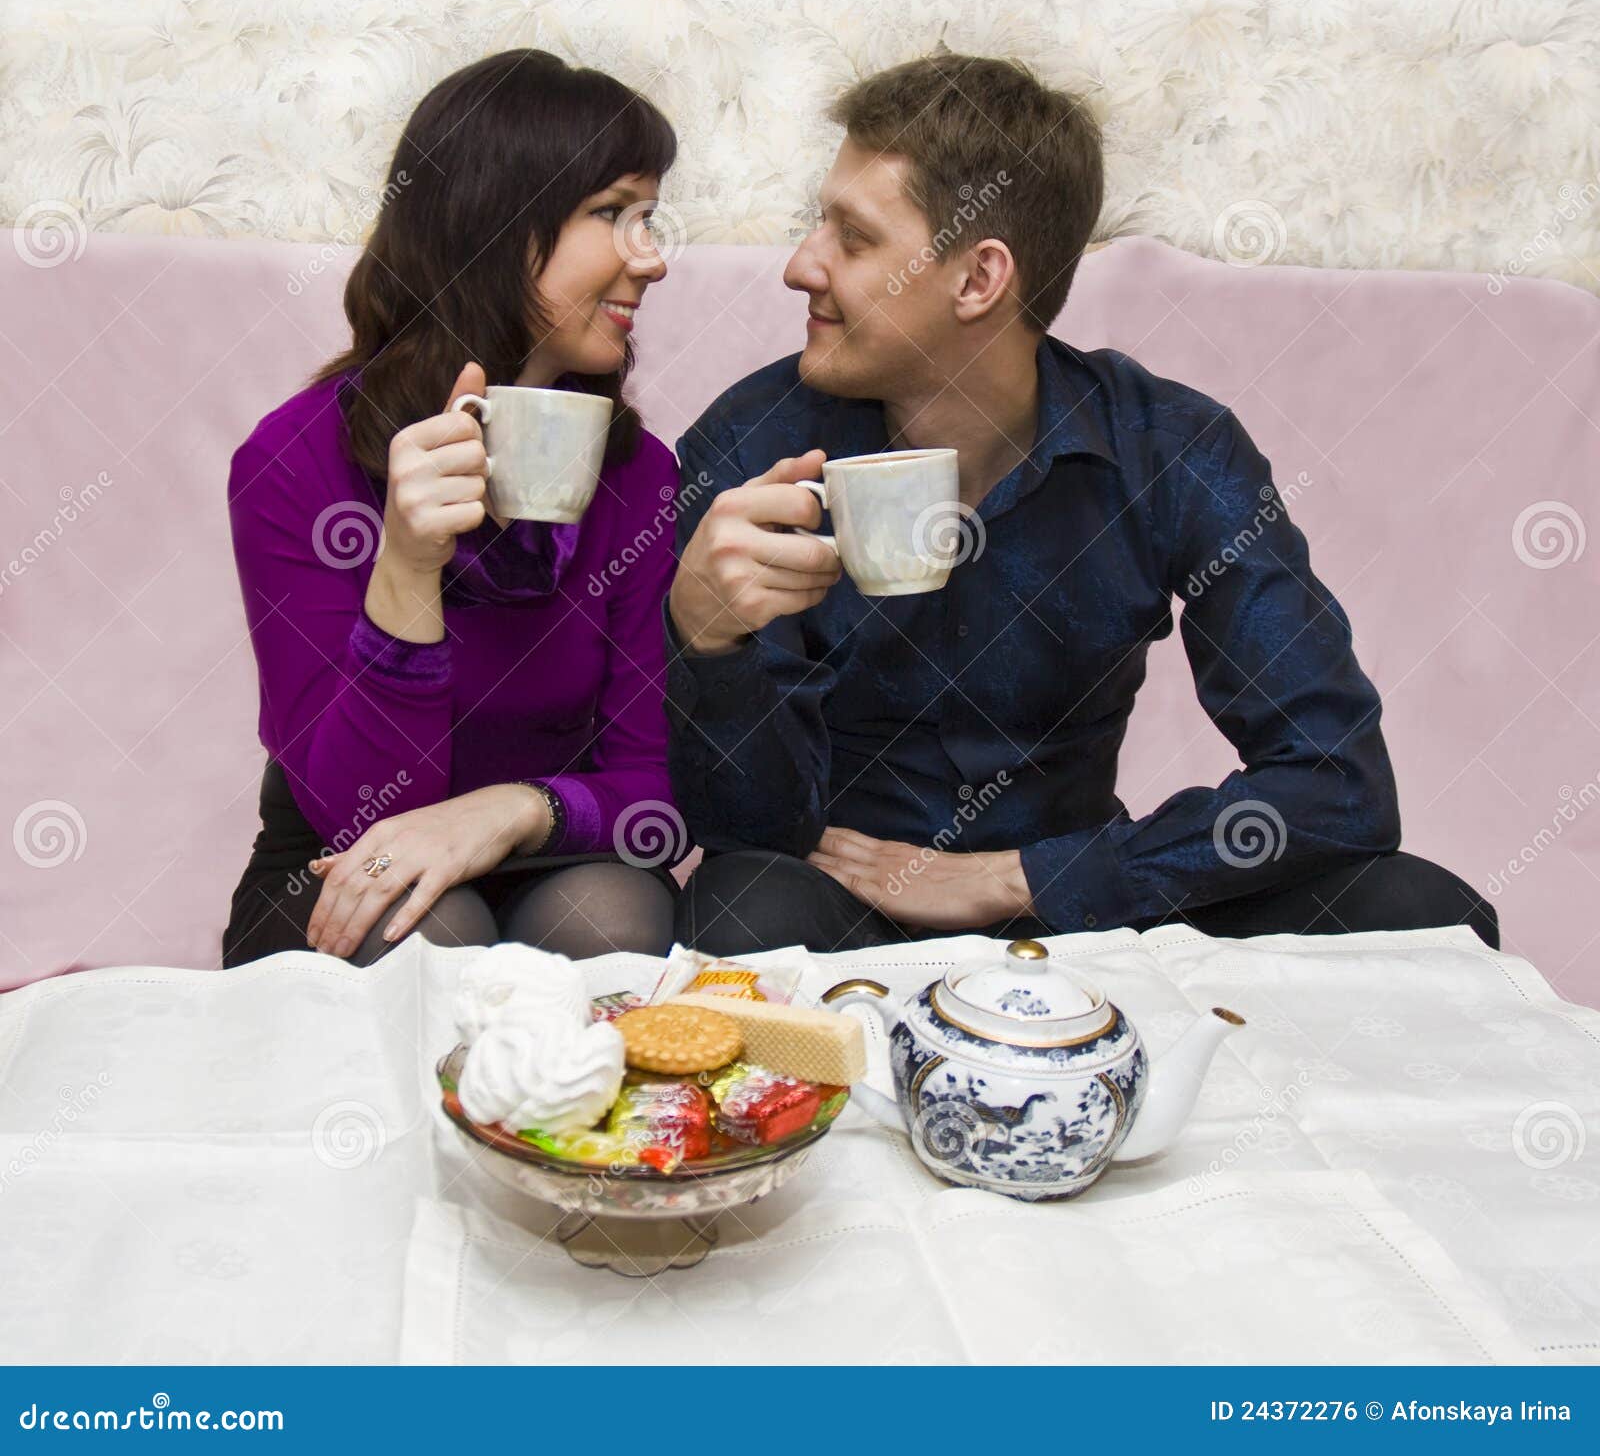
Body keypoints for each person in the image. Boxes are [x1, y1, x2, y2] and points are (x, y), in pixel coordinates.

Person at [666, 52, 1499, 956]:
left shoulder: (1167, 449)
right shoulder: (750, 446)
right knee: (745, 905)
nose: (800, 266)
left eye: (853, 238)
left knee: (1422, 909)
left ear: (979, 279)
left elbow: (1340, 785)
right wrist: (712, 644)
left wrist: (1023, 878)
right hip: (844, 909)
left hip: (1082, 912)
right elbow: (746, 828)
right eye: (815, 226)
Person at [223, 50, 685, 967]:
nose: (653, 258)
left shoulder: (639, 479)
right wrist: (404, 567)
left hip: (553, 852)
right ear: (497, 223)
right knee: (430, 933)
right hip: (338, 858)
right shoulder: (292, 460)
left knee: (616, 917)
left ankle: (539, 1112)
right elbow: (362, 810)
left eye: (651, 217)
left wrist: (511, 810)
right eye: (612, 214)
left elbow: (653, 800)